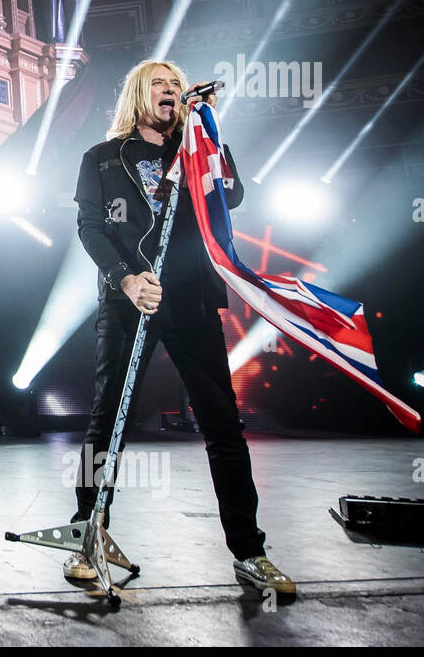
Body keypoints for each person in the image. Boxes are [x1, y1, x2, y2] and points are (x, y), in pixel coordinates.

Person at [68, 58, 295, 597]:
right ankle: (86, 538)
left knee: (222, 424)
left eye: (176, 84)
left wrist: (210, 134)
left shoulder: (195, 152)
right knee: (106, 424)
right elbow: (90, 227)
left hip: (191, 300)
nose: (170, 91)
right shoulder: (103, 159)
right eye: (159, 85)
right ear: (138, 96)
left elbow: (232, 195)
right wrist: (126, 280)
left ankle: (250, 551)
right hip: (130, 302)